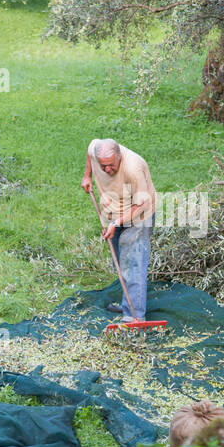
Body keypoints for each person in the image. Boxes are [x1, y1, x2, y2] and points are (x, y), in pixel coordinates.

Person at [82, 138, 157, 322]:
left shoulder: (134, 167)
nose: (107, 170)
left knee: (134, 264)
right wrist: (87, 175)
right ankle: (127, 303)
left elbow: (143, 204)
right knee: (122, 262)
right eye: (103, 166)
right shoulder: (95, 149)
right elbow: (89, 153)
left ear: (119, 156)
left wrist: (117, 223)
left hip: (140, 214)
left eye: (111, 165)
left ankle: (134, 317)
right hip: (115, 214)